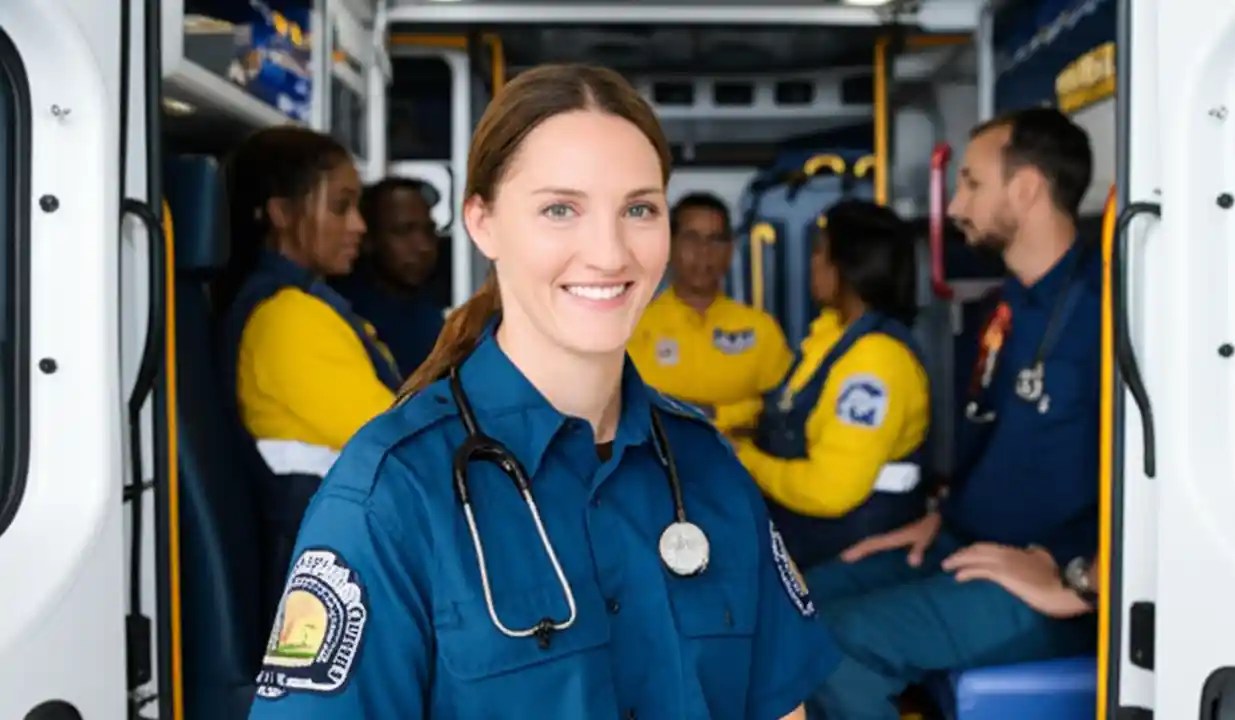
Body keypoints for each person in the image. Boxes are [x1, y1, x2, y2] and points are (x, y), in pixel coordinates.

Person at [248, 63, 840, 720]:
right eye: (561, 209)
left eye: (639, 209)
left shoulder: (710, 470)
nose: (610, 253)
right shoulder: (392, 495)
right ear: (482, 222)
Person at [802, 107, 1101, 718]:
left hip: (1057, 576)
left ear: (1025, 188)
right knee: (789, 605)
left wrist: (1082, 580)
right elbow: (1008, 448)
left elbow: (1173, 475)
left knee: (836, 646)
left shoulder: (1113, 306)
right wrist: (943, 517)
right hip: (963, 543)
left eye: (971, 183)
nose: (956, 204)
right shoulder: (998, 312)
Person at [218, 126, 399, 597]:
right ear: (282, 213)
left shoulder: (302, 305)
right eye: (340, 207)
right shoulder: (287, 319)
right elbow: (400, 442)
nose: (359, 225)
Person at [732, 199, 929, 571]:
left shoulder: (876, 361)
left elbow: (830, 490)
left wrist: (745, 459)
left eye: (820, 252)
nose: (813, 263)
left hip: (851, 554)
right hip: (805, 539)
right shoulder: (832, 338)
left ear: (847, 266)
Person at [628, 192, 793, 433]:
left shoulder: (760, 330)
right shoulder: (632, 327)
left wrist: (714, 415)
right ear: (668, 246)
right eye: (691, 238)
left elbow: (783, 411)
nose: (703, 251)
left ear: (730, 250)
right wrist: (727, 414)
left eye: (715, 240)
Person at [335, 176, 447, 374]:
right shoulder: (344, 315)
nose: (423, 247)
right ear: (368, 238)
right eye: (403, 231)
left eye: (429, 231)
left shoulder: (427, 309)